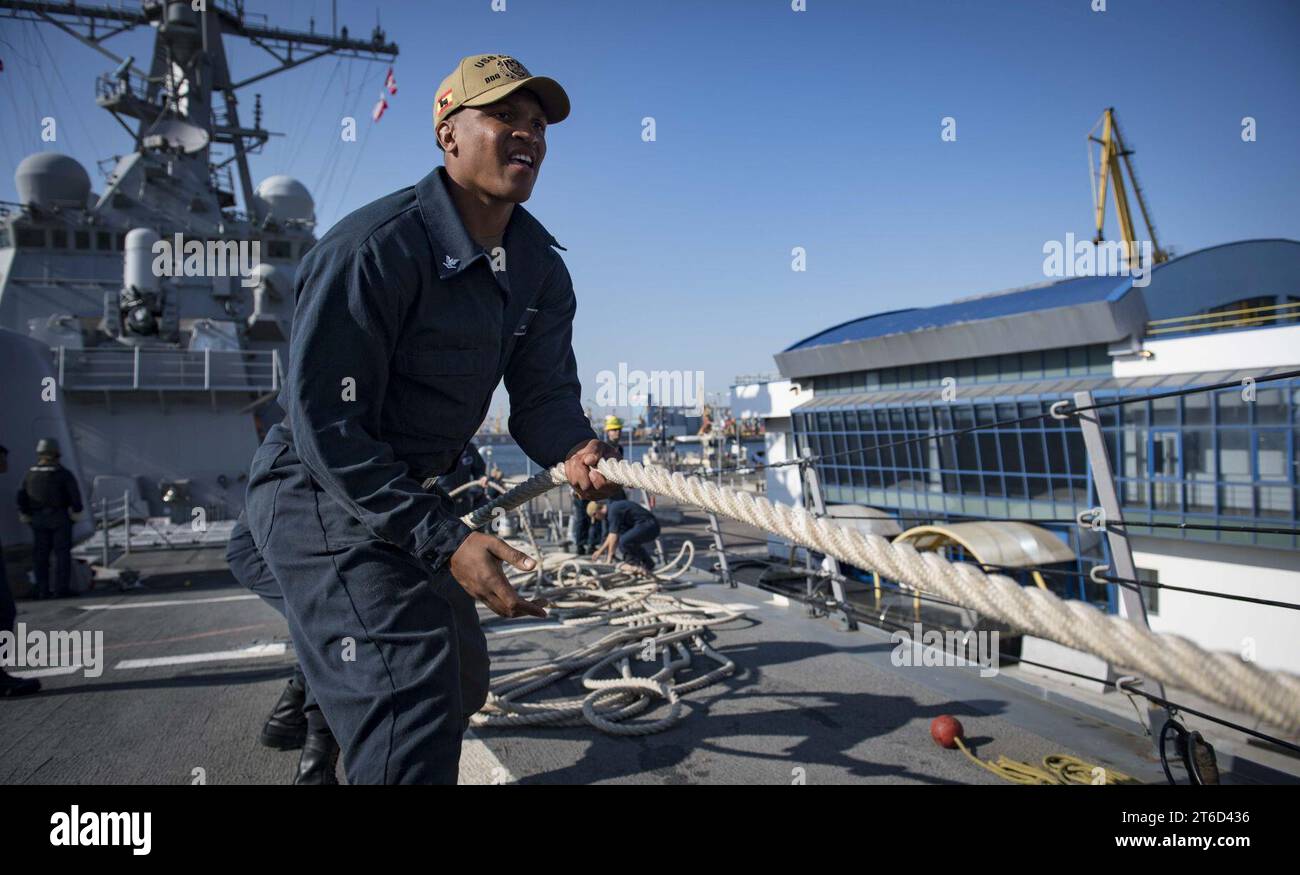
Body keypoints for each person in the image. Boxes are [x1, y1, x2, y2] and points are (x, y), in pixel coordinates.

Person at [241, 53, 620, 785]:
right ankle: (336, 704)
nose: (528, 134)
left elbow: (541, 395)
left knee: (463, 679)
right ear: (448, 134)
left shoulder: (539, 266)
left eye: (538, 124)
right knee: (409, 685)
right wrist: (447, 539)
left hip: (405, 496)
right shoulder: (372, 249)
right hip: (320, 495)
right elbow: (328, 426)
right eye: (504, 115)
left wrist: (575, 447)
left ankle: (322, 697)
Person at [225, 512, 339, 784]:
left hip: (266, 544)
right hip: (262, 550)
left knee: (318, 631)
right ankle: (314, 773)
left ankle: (285, 722)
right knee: (330, 631)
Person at [17, 438, 83, 600]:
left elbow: (21, 496)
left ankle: (42, 589)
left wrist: (26, 513)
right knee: (62, 555)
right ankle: (62, 589)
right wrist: (76, 511)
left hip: (38, 519)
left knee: (40, 557)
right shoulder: (62, 474)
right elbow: (74, 496)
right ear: (57, 454)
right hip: (59, 517)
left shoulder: (30, 474)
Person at [0, 444, 40, 698]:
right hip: (56, 523)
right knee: (2, 610)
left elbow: (22, 498)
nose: (6, 461)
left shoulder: (30, 476)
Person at [588, 498, 660, 573]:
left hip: (649, 526)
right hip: (649, 525)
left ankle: (633, 565)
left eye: (595, 517)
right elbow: (611, 535)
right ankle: (648, 564)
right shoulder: (612, 509)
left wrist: (609, 558)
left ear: (596, 513)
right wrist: (600, 551)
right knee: (626, 538)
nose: (598, 519)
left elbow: (613, 536)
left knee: (624, 541)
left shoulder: (613, 511)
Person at [436, 442, 488, 518]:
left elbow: (479, 469)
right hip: (442, 502)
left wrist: (482, 478)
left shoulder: (469, 447)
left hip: (464, 502)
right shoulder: (436, 448)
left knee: (466, 526)